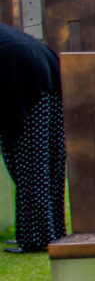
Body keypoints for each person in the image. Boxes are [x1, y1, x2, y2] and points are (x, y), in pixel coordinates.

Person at [0, 22, 66, 252]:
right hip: (47, 66)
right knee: (50, 160)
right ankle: (53, 230)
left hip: (22, 74)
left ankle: (36, 237)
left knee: (29, 162)